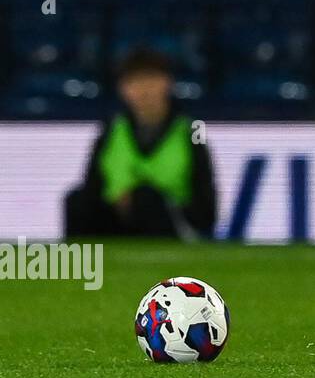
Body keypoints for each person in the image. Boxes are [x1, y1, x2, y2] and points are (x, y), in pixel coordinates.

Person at [64, 47, 216, 240]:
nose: (144, 89)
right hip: (118, 219)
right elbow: (92, 186)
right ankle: (80, 263)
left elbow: (206, 200)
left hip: (171, 223)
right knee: (76, 201)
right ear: (123, 89)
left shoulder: (189, 132)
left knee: (145, 197)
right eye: (135, 81)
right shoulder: (112, 130)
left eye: (151, 79)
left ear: (167, 82)